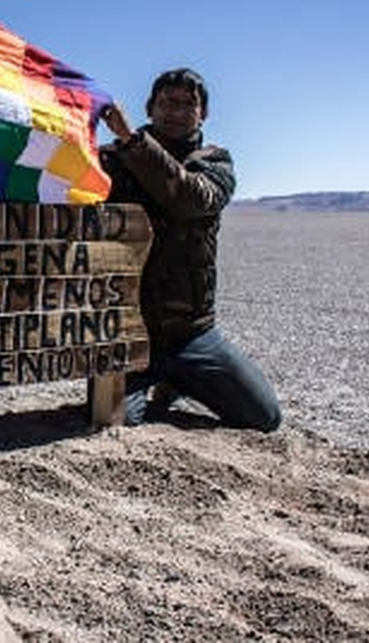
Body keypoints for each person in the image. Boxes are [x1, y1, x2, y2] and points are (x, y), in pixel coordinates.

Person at [99, 68, 282, 431]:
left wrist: (131, 139)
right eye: (167, 102)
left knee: (264, 417)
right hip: (127, 332)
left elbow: (188, 199)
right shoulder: (111, 160)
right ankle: (156, 381)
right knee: (114, 418)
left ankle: (180, 379)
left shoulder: (215, 162)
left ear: (203, 114)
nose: (177, 111)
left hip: (192, 334)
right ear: (151, 107)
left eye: (188, 104)